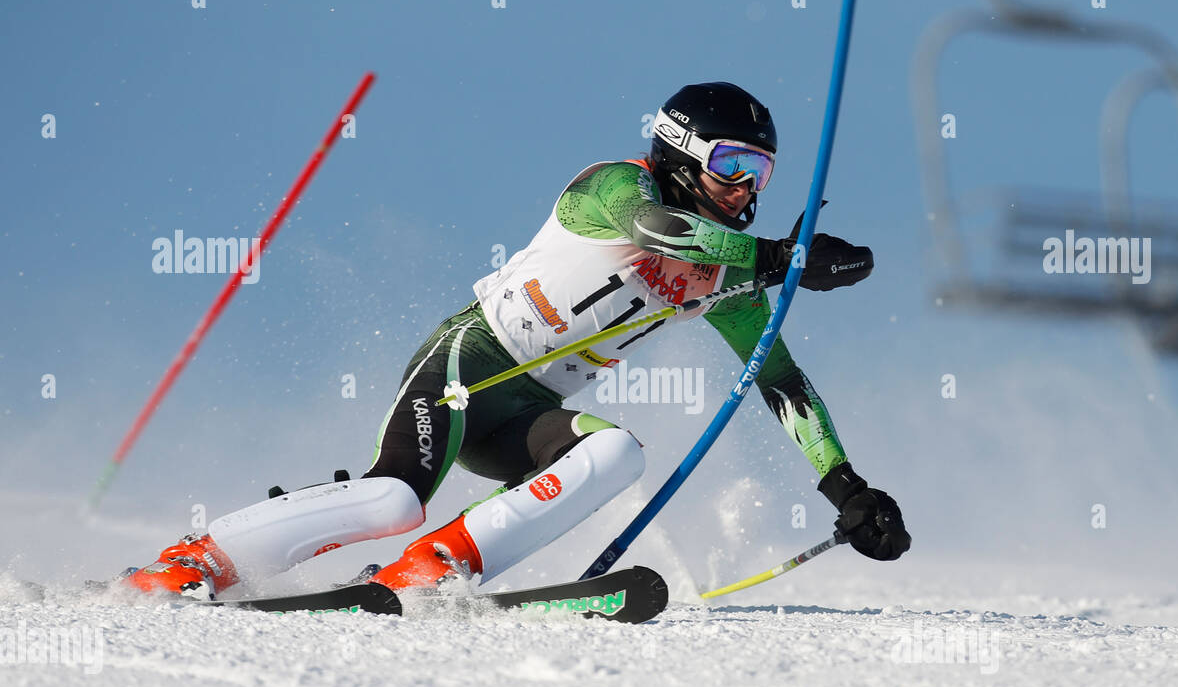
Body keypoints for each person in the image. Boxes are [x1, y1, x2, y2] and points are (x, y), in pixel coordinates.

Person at [121, 82, 911, 599]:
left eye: (762, 174)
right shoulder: (617, 186)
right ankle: (199, 558)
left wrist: (846, 488)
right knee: (395, 495)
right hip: (469, 367)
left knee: (618, 454)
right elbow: (659, 230)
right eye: (734, 165)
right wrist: (782, 257)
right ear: (680, 151)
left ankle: (434, 570)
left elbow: (781, 382)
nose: (748, 189)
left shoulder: (727, 277)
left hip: (528, 410)